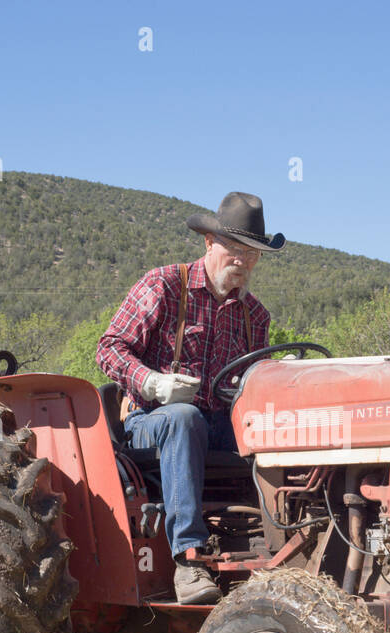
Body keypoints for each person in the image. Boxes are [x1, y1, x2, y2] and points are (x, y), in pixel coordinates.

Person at [96, 192, 283, 604]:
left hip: (220, 429)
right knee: (183, 417)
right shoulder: (163, 285)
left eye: (252, 254)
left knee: (279, 427)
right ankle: (188, 560)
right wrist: (151, 383)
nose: (243, 261)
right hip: (151, 424)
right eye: (235, 250)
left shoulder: (256, 316)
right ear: (209, 244)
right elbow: (108, 348)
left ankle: (283, 548)